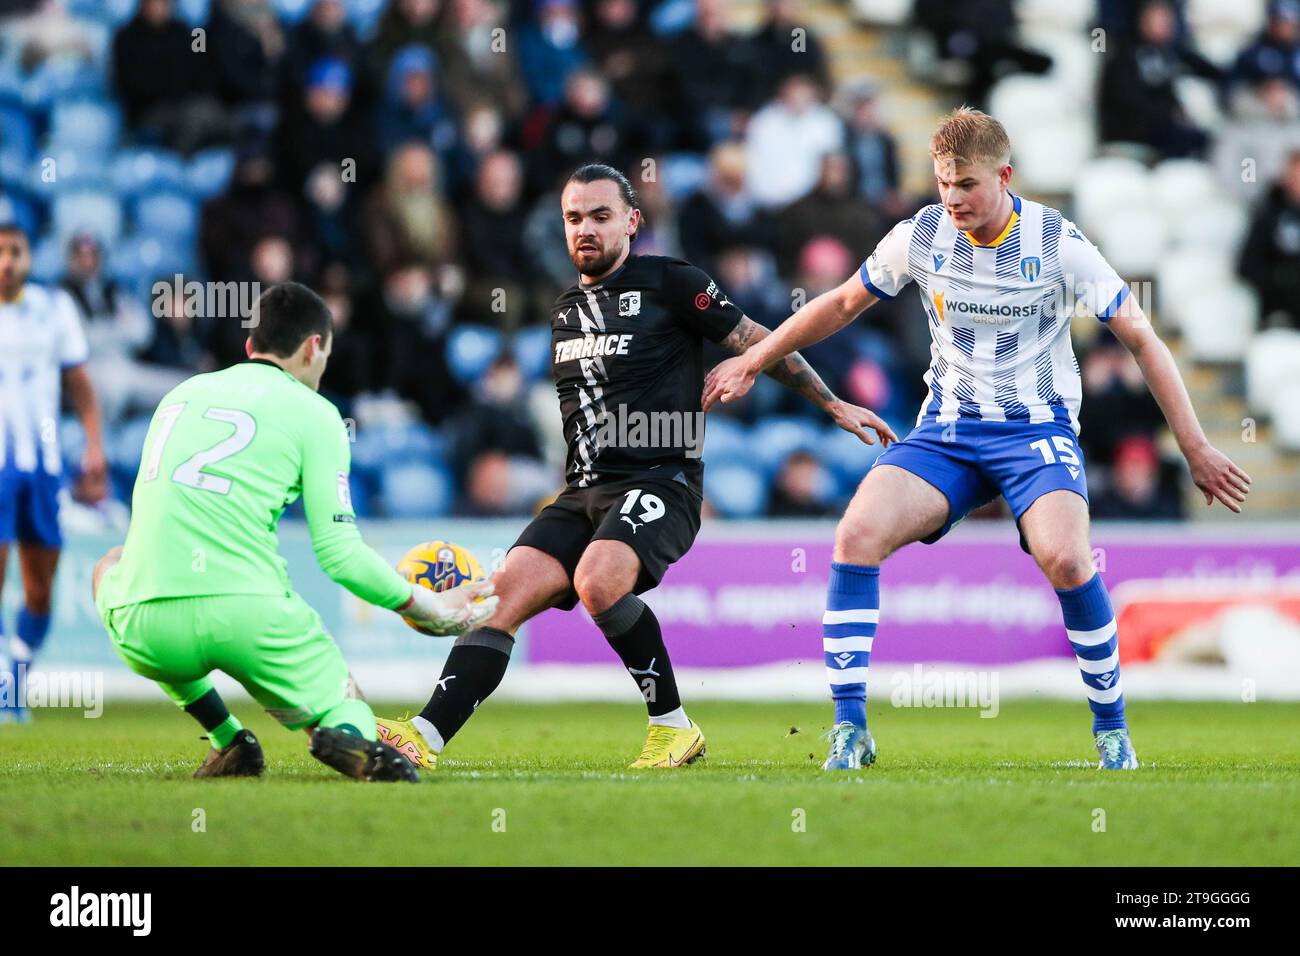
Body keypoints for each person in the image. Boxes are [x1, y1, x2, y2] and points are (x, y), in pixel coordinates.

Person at [705, 109, 1251, 771]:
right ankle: (850, 729)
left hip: (1036, 431)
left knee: (1069, 560)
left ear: (1004, 176)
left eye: (966, 183)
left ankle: (1113, 733)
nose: (953, 198)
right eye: (942, 183)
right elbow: (842, 302)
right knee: (855, 535)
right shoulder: (923, 235)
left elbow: (1141, 336)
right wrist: (754, 359)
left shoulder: (1057, 241)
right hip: (948, 433)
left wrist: (1192, 445)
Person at [375, 164, 892, 771]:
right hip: (581, 494)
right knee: (499, 600)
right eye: (574, 219)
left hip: (662, 482)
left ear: (632, 221)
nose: (586, 229)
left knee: (598, 581)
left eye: (600, 215)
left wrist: (830, 403)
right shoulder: (565, 310)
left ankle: (673, 728)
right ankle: (425, 738)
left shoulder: (672, 282)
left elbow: (761, 340)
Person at [89, 282, 497, 780]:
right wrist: (423, 605)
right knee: (350, 705)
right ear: (313, 347)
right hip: (247, 615)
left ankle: (227, 738)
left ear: (249, 347)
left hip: (145, 622)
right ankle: (344, 735)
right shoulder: (317, 415)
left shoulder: (180, 394)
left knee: (109, 562)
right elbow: (339, 555)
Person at [0, 224, 107, 722]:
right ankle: (7, 689)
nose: (6, 261)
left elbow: (80, 383)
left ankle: (15, 674)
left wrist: (94, 444)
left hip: (43, 466)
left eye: (15, 251)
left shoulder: (54, 308)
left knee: (41, 584)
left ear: (29, 256)